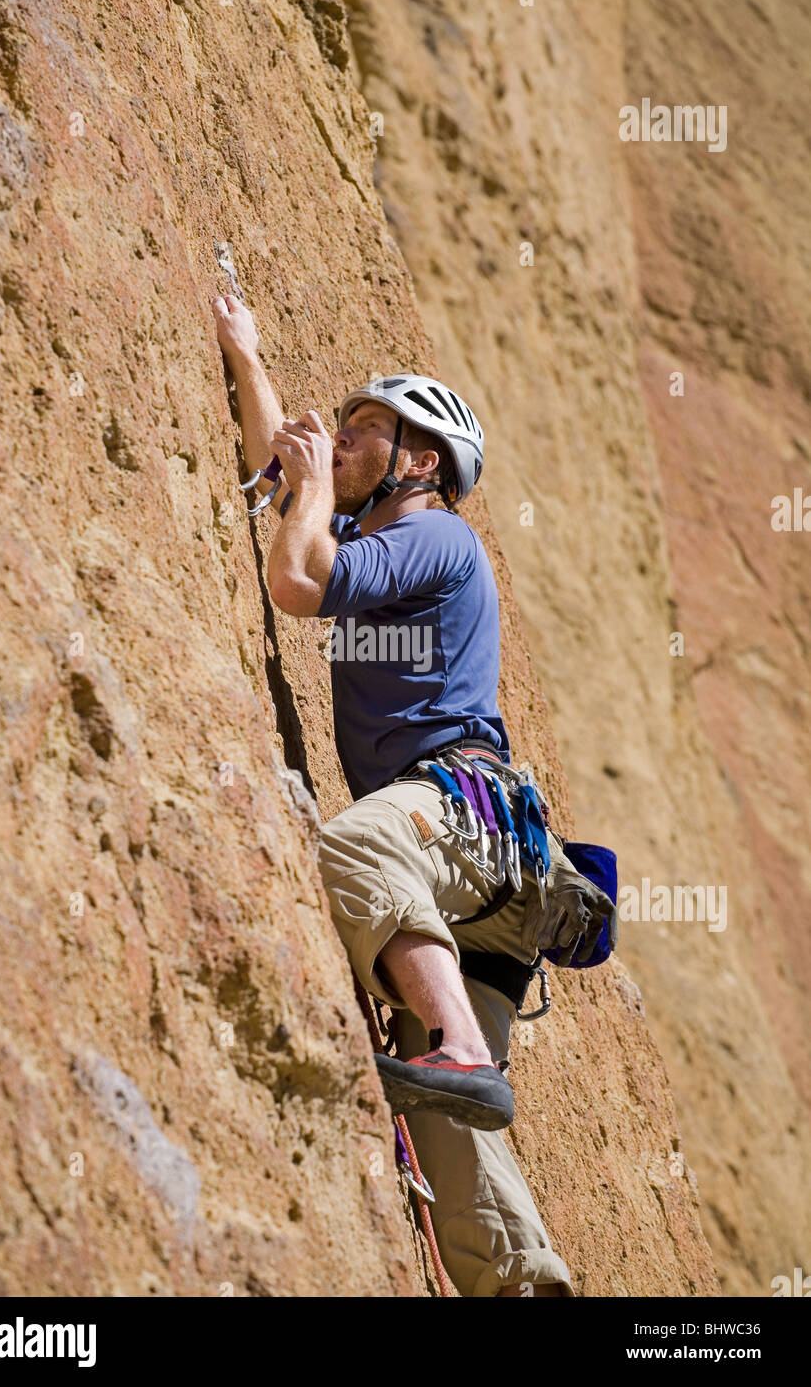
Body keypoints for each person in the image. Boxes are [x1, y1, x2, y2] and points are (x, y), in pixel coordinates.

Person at [213, 293, 576, 1297]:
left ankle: (458, 1039)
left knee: (354, 850)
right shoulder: (378, 533)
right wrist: (246, 359)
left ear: (417, 461)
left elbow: (297, 579)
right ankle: (518, 1278)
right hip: (484, 877)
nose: (344, 433)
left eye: (367, 427)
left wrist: (314, 476)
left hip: (461, 813)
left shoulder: (438, 534)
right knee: (446, 1121)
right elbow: (280, 468)